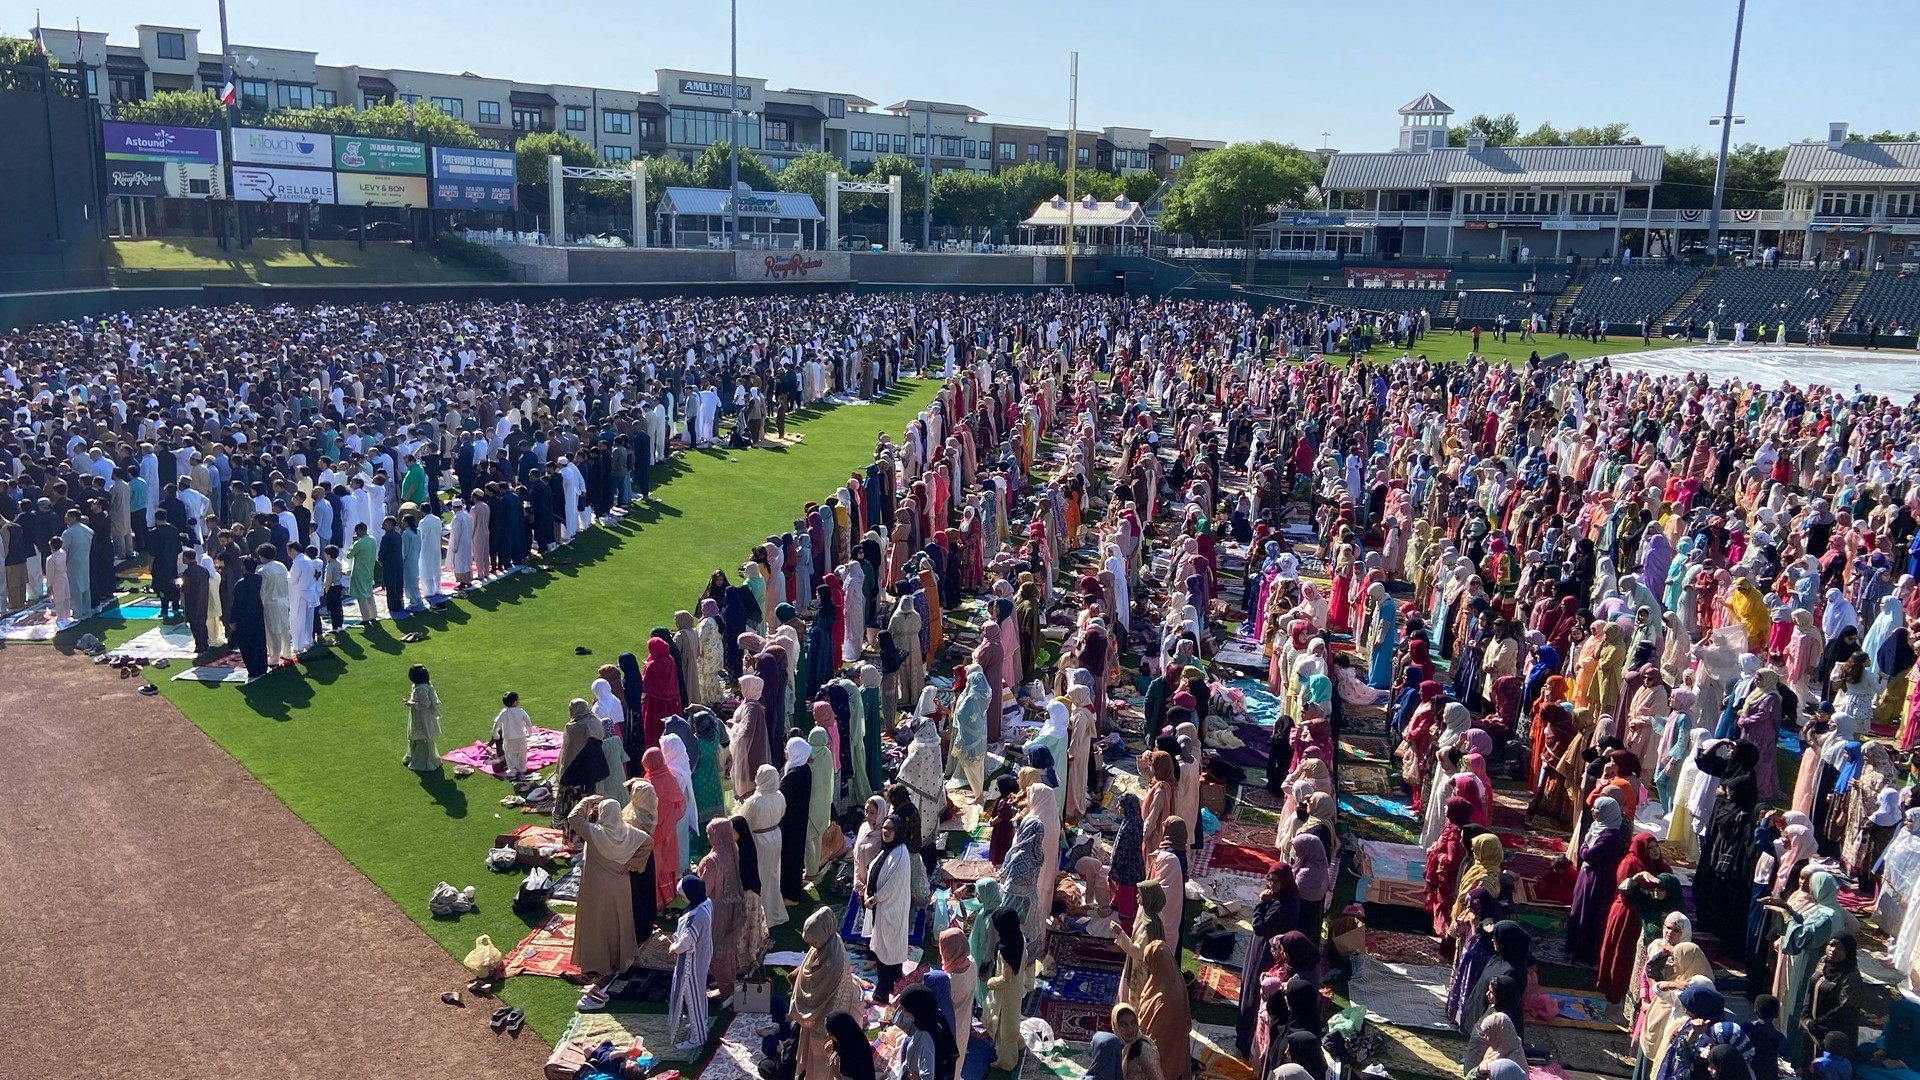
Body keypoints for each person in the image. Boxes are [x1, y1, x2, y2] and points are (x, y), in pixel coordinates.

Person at [568, 793, 643, 1011]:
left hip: (597, 887)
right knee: (617, 922)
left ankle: (598, 963)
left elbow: (573, 817)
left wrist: (587, 801)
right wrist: (637, 864)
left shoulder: (594, 832)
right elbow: (648, 842)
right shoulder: (629, 832)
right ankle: (620, 958)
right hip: (620, 886)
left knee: (598, 924)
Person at [791, 907, 863, 1080]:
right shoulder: (824, 945)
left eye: (814, 942)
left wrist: (809, 1007)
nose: (812, 946)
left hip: (826, 1019)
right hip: (816, 1014)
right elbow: (807, 974)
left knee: (824, 1060)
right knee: (814, 1059)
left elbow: (828, 994)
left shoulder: (835, 959)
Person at [865, 812, 914, 1002]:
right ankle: (895, 985)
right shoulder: (889, 849)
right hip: (883, 908)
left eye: (890, 829)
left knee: (885, 952)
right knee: (888, 951)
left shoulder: (901, 854)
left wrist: (875, 898)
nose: (886, 832)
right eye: (884, 828)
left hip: (890, 909)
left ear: (898, 832)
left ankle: (882, 994)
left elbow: (893, 884)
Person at [666, 875, 713, 1051]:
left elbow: (686, 943)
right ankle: (701, 1022)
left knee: (692, 996)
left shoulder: (696, 915)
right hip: (702, 956)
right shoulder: (706, 902)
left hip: (691, 964)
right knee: (699, 994)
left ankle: (698, 1036)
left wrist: (673, 948)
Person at [402, 665, 441, 771]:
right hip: (420, 715)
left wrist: (412, 703)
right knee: (418, 737)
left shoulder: (421, 688)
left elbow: (425, 704)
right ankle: (415, 756)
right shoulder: (421, 686)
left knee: (423, 737)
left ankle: (426, 761)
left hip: (422, 716)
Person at [492, 691, 532, 778]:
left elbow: (497, 723)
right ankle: (522, 769)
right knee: (522, 754)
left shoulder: (503, 713)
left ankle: (512, 770)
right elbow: (528, 722)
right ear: (515, 702)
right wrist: (529, 732)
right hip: (521, 737)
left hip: (508, 738)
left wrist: (495, 733)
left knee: (509, 754)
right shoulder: (521, 712)